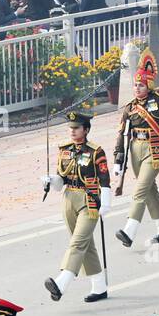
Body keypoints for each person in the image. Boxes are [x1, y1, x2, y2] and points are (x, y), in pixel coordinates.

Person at [43, 111, 112, 303]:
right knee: (86, 245)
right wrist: (50, 181)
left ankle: (62, 282)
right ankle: (99, 287)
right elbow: (61, 179)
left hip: (89, 200)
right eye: (70, 128)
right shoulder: (64, 150)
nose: (72, 131)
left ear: (86, 129)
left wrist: (105, 202)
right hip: (68, 199)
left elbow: (105, 179)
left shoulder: (96, 151)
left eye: (76, 128)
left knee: (77, 243)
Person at [113, 48, 159, 248]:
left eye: (141, 85)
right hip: (135, 149)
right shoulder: (130, 107)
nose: (137, 88)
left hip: (153, 149)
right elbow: (122, 132)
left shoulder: (157, 100)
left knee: (140, 190)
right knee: (150, 191)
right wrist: (118, 157)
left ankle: (129, 231)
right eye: (135, 85)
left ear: (148, 85)